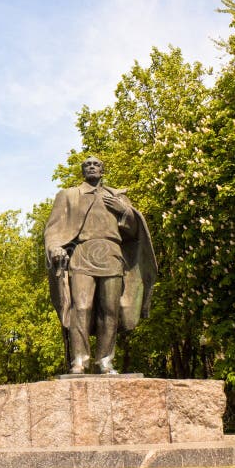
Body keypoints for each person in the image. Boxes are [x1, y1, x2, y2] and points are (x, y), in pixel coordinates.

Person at [44, 156, 156, 374]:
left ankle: (105, 361)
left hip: (112, 255)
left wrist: (124, 211)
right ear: (83, 171)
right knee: (82, 307)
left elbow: (134, 233)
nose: (92, 166)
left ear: (103, 171)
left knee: (110, 310)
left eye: (96, 164)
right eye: (87, 165)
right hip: (82, 253)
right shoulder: (69, 196)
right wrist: (55, 248)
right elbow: (53, 229)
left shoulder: (117, 197)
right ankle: (79, 360)